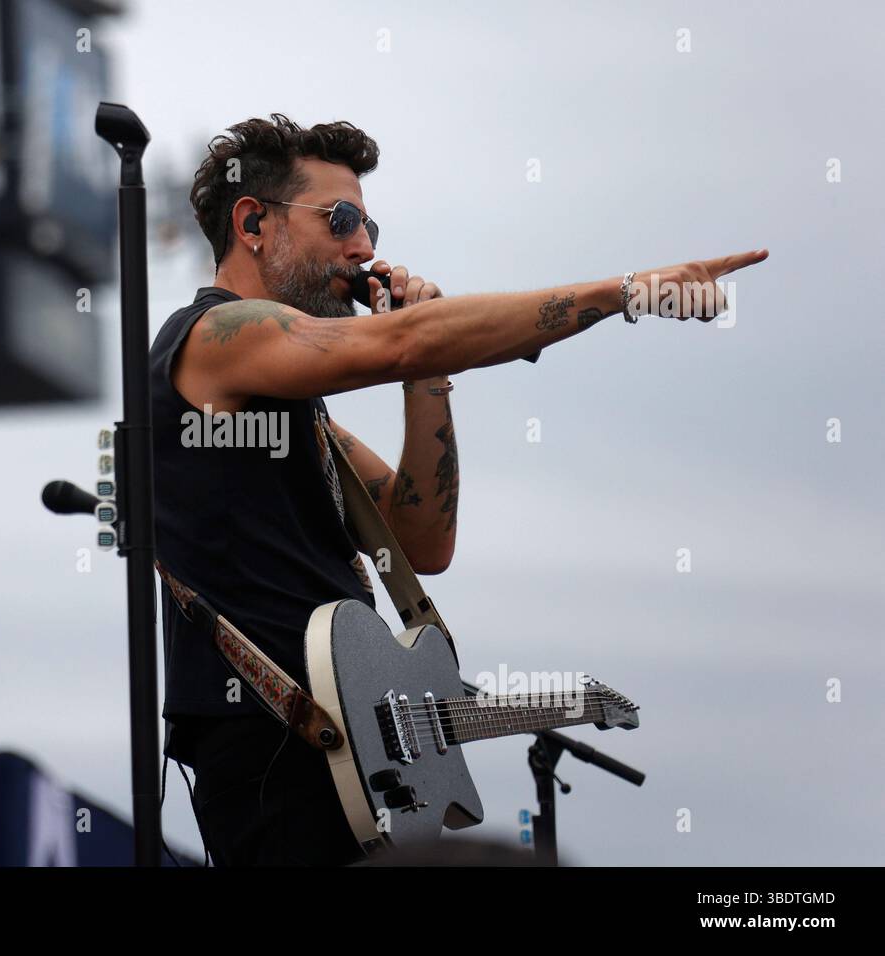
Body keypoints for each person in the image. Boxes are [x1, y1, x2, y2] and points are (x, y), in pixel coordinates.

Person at [152, 113, 767, 866]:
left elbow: (422, 542)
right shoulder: (214, 339)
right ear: (254, 221)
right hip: (271, 752)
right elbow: (403, 338)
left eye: (369, 223)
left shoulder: (299, 419)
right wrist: (625, 292)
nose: (365, 247)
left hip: (343, 762)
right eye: (340, 219)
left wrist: (426, 375)